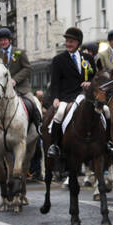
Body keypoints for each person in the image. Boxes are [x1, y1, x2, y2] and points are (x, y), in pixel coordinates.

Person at [46, 26, 92, 159]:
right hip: (66, 97)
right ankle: (54, 145)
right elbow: (54, 82)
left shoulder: (88, 58)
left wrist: (90, 82)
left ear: (78, 43)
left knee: (105, 110)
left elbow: (95, 76)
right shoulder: (58, 60)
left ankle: (108, 143)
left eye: (71, 41)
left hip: (86, 96)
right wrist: (55, 98)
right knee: (59, 113)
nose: (68, 44)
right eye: (67, 41)